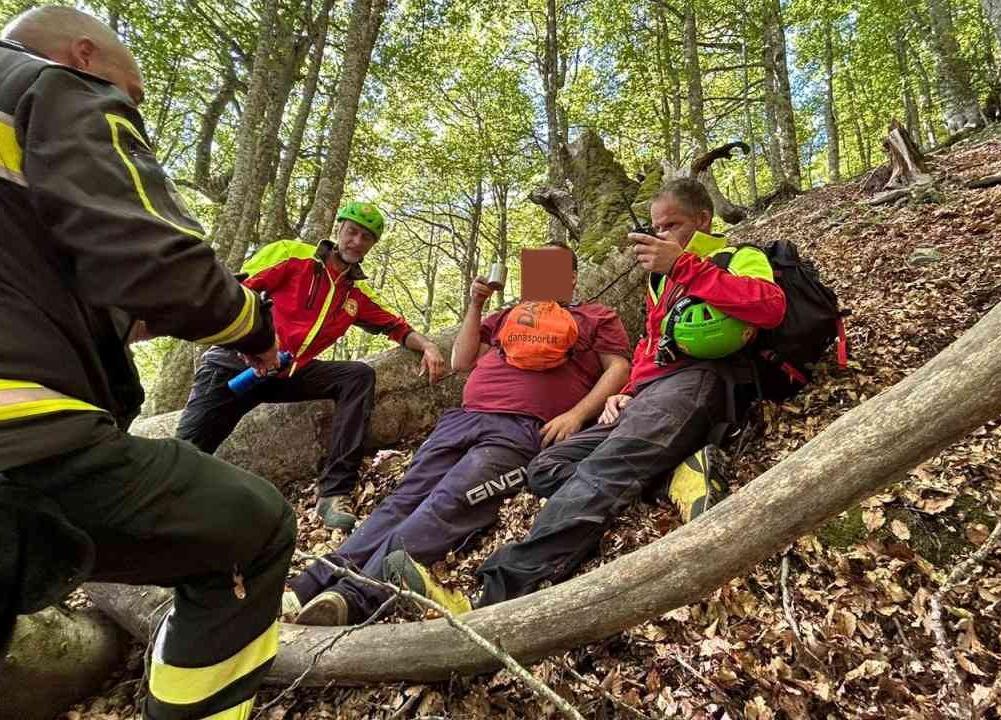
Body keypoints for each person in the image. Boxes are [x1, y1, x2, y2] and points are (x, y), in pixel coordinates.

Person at [0, 7, 295, 720]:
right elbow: (157, 258)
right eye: (131, 95)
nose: (131, 112)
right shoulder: (47, 86)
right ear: (83, 56)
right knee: (251, 528)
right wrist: (253, 328)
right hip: (25, 435)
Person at [384, 178, 786, 611]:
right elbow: (650, 345)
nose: (659, 235)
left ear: (703, 221)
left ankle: (495, 595)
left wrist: (685, 264)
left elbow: (770, 305)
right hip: (648, 394)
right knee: (545, 468)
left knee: (603, 471)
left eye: (671, 225)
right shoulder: (660, 279)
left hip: (700, 381)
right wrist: (627, 391)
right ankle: (674, 473)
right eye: (655, 227)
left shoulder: (736, 256)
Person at [284, 243, 632, 625]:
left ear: (572, 277)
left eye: (552, 269)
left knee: (448, 502)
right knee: (401, 500)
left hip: (521, 431)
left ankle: (353, 596)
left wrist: (576, 415)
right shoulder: (507, 317)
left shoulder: (595, 316)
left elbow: (617, 367)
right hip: (462, 420)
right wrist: (476, 305)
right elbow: (461, 361)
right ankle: (307, 587)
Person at [175, 203, 447, 530]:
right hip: (233, 366)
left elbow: (396, 327)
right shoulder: (292, 255)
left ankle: (334, 493)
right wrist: (252, 344)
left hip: (286, 374)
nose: (356, 241)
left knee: (357, 376)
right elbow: (235, 293)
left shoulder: (356, 294)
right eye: (352, 231)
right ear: (339, 228)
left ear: (372, 245)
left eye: (366, 237)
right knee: (185, 453)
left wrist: (429, 345)